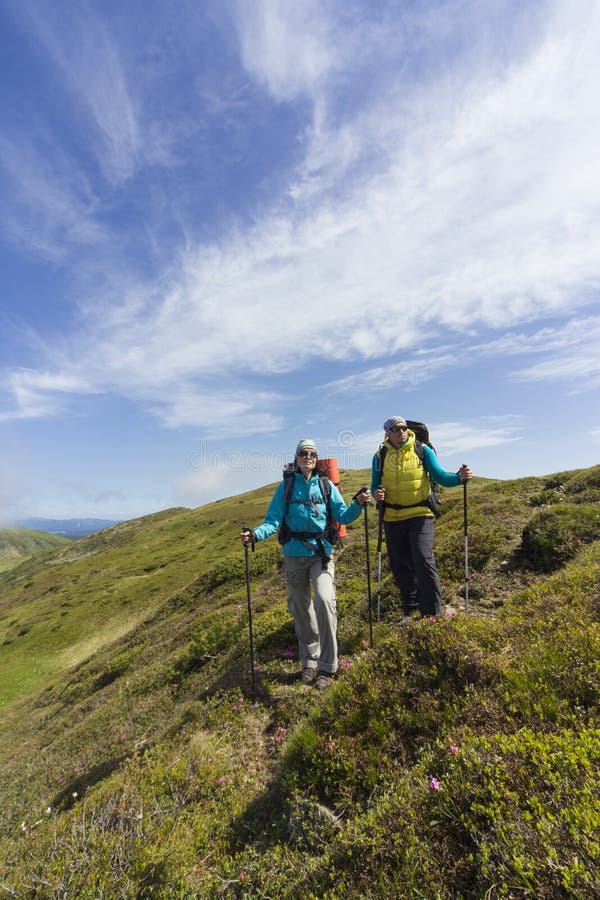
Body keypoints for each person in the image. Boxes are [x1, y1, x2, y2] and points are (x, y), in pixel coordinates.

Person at [241, 439, 371, 690]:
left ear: (316, 458)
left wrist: (358, 504)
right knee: (300, 608)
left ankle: (327, 666)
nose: (308, 457)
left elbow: (342, 515)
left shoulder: (325, 486)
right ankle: (309, 661)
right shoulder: (286, 487)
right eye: (303, 453)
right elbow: (272, 520)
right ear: (297, 457)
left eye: (312, 454)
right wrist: (255, 534)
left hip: (321, 553)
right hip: (293, 555)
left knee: (324, 600)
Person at [371, 417, 472, 620]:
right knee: (400, 565)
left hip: (420, 514)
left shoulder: (422, 450)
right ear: (387, 433)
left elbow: (440, 476)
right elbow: (374, 484)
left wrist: (459, 478)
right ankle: (411, 609)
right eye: (396, 429)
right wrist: (376, 494)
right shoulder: (380, 455)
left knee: (423, 558)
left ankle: (432, 614)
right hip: (391, 517)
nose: (402, 431)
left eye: (404, 428)